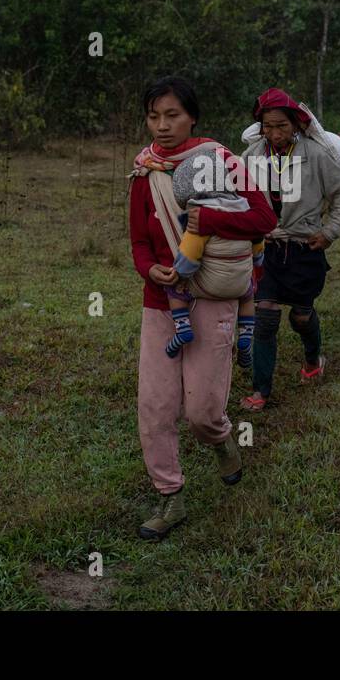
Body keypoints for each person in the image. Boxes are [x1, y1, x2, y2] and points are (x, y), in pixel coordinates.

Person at [128, 76, 275, 541]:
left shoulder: (220, 161)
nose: (162, 126)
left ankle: (220, 438)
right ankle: (170, 496)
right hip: (161, 304)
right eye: (154, 116)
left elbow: (263, 218)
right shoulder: (144, 171)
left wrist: (206, 218)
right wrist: (151, 269)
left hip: (211, 298)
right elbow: (136, 241)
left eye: (172, 115)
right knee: (155, 408)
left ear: (192, 117)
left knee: (203, 412)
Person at [239, 88, 340, 412]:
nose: (275, 133)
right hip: (267, 250)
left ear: (295, 124)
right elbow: (238, 199)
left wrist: (329, 233)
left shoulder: (316, 155)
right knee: (265, 316)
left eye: (282, 126)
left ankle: (312, 358)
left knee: (301, 317)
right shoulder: (251, 157)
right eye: (268, 126)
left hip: (305, 250)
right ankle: (261, 390)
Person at [165, 151, 265, 363]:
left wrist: (179, 274)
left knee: (174, 289)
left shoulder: (200, 219)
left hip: (210, 287)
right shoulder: (246, 213)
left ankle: (182, 328)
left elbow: (189, 258)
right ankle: (246, 333)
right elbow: (258, 247)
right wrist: (257, 263)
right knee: (249, 295)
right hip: (239, 285)